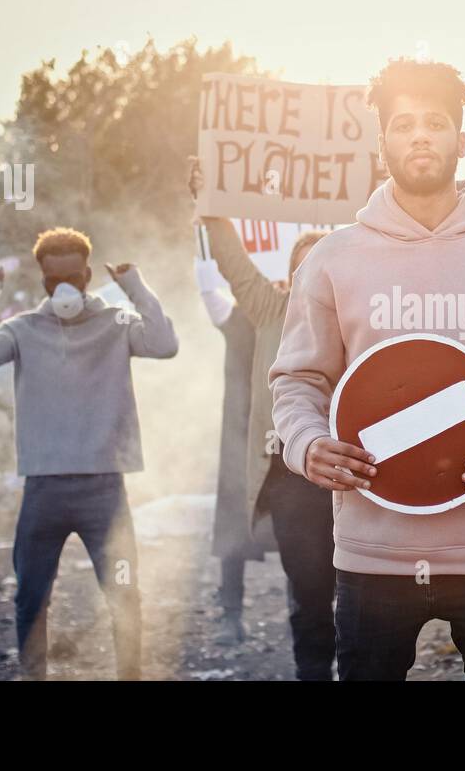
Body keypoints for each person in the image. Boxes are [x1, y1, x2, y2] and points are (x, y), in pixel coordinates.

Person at [270, 58, 465, 681]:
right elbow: (298, 380)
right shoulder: (335, 259)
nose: (420, 135)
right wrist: (307, 444)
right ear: (382, 140)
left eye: (436, 122)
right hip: (374, 552)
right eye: (404, 123)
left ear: (461, 140)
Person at [0, 227, 178, 680]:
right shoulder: (24, 328)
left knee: (124, 592)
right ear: (42, 280)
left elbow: (165, 344)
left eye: (75, 278)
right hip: (44, 489)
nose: (65, 288)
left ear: (87, 275)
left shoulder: (115, 322)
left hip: (104, 488)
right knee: (31, 597)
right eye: (53, 279)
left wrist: (134, 287)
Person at [187, 163, 337, 680]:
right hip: (292, 475)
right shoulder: (270, 310)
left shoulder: (368, 316)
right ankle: (314, 672)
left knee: (364, 590)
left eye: (321, 261)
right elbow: (231, 262)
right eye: (301, 263)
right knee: (310, 585)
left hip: (359, 473)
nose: (309, 271)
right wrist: (211, 204)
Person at [192, 239, 272, 645]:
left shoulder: (299, 316)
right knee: (234, 529)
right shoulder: (236, 316)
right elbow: (209, 287)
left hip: (285, 439)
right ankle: (231, 615)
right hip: (241, 439)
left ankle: (306, 613)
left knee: (303, 534)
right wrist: (204, 236)